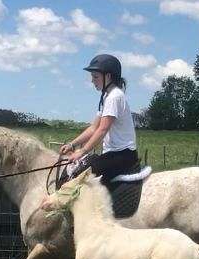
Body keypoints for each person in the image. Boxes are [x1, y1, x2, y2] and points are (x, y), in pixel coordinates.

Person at [57, 54, 140, 187]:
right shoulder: (106, 97)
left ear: (108, 76)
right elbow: (93, 128)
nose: (92, 81)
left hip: (122, 156)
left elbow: (102, 130)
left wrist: (81, 152)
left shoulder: (114, 97)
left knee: (80, 180)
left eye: (95, 77)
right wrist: (72, 145)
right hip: (112, 155)